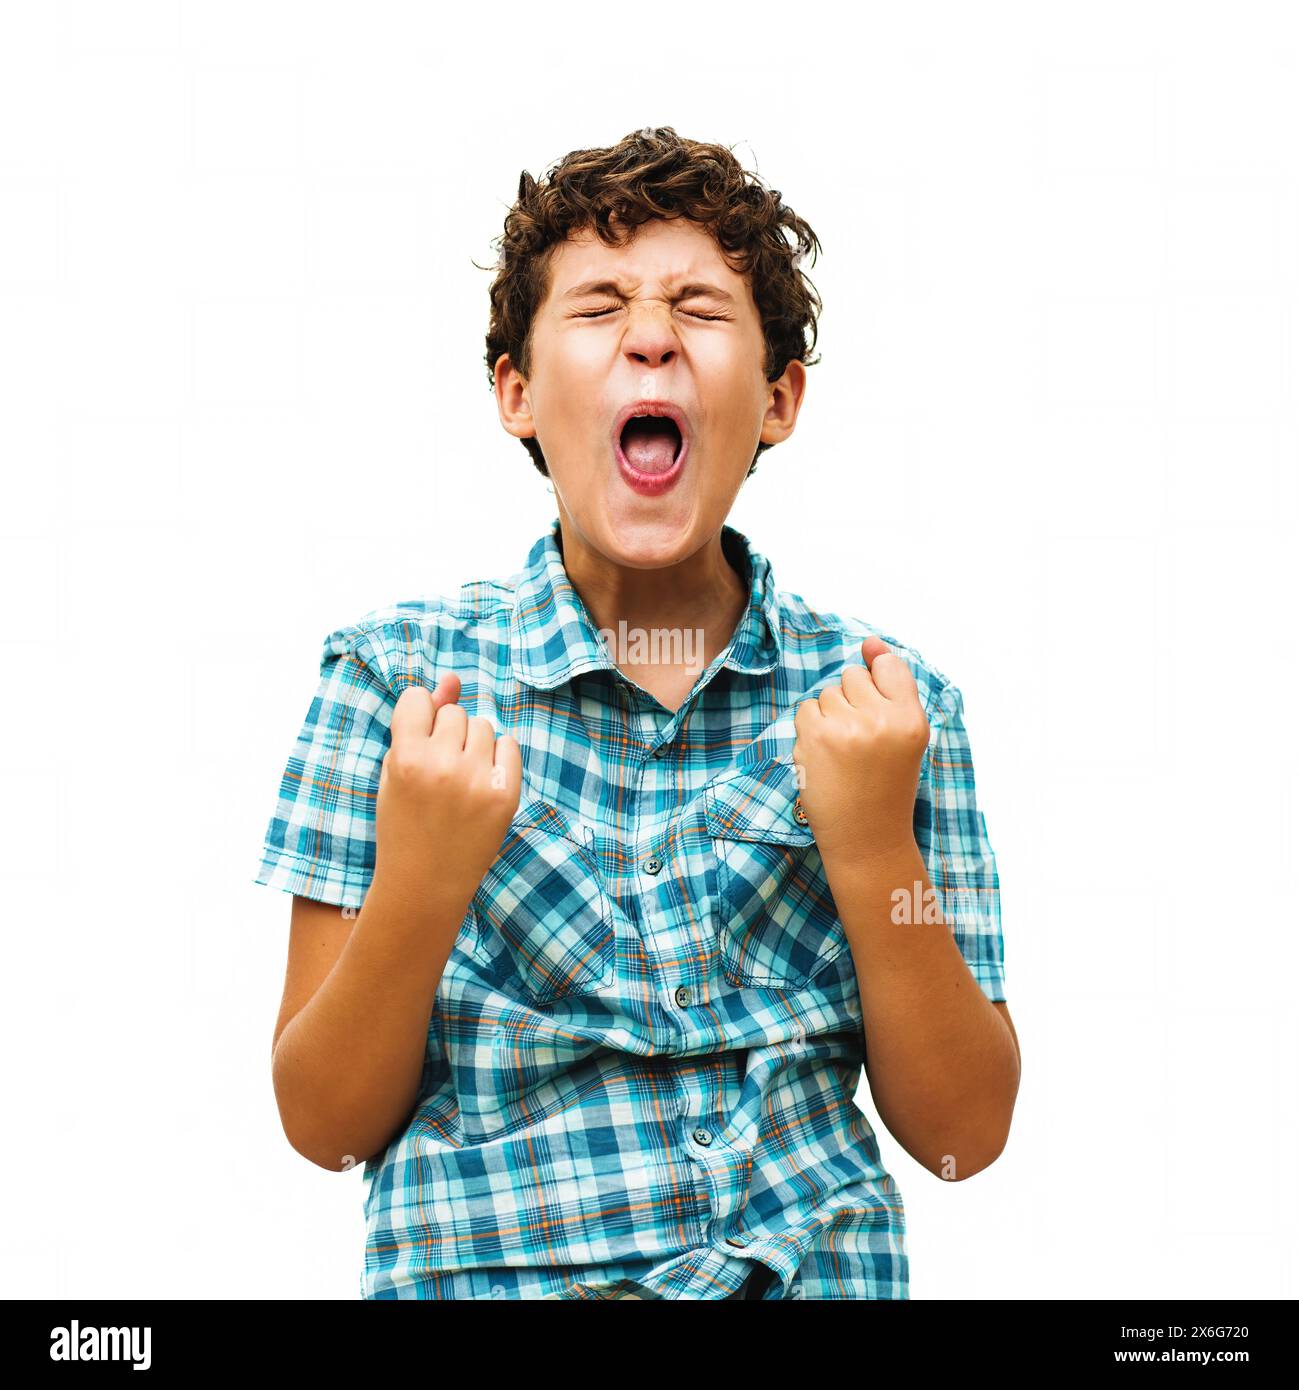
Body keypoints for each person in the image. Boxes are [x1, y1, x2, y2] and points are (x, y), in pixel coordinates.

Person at [254, 126, 1021, 1300]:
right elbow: (325, 1124)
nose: (652, 335)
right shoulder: (390, 681)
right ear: (516, 393)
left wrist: (870, 843)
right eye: (601, 305)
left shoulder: (891, 706)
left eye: (700, 310)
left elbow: (965, 1133)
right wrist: (420, 877)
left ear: (778, 399)